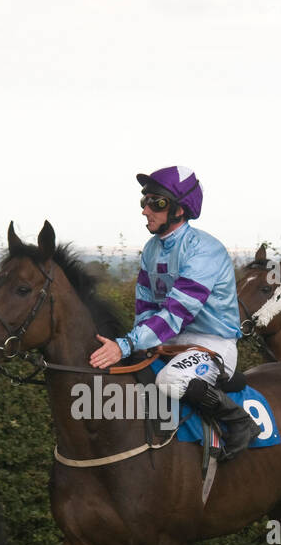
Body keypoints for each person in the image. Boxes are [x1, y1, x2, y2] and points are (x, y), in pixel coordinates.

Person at [88, 166, 256, 460]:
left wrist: (125, 344)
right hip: (172, 340)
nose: (145, 210)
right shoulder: (152, 249)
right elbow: (146, 307)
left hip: (214, 344)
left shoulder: (206, 250)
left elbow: (177, 311)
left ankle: (239, 422)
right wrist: (139, 344)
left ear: (180, 209)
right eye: (144, 201)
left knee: (170, 380)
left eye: (157, 203)